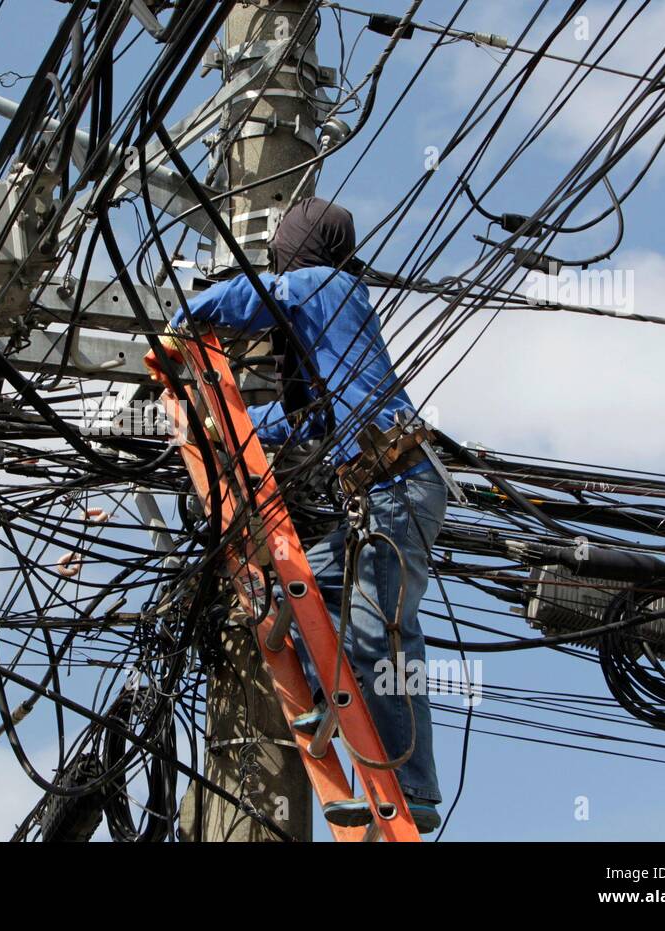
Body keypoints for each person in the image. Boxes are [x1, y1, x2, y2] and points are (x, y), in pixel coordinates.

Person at [169, 197, 447, 832]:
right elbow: (306, 423)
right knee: (301, 590)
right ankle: (337, 711)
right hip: (377, 490)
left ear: (302, 246)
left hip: (397, 485)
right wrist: (221, 426)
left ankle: (413, 786)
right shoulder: (323, 337)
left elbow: (265, 293)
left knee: (381, 635)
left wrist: (188, 316)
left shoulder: (328, 286)